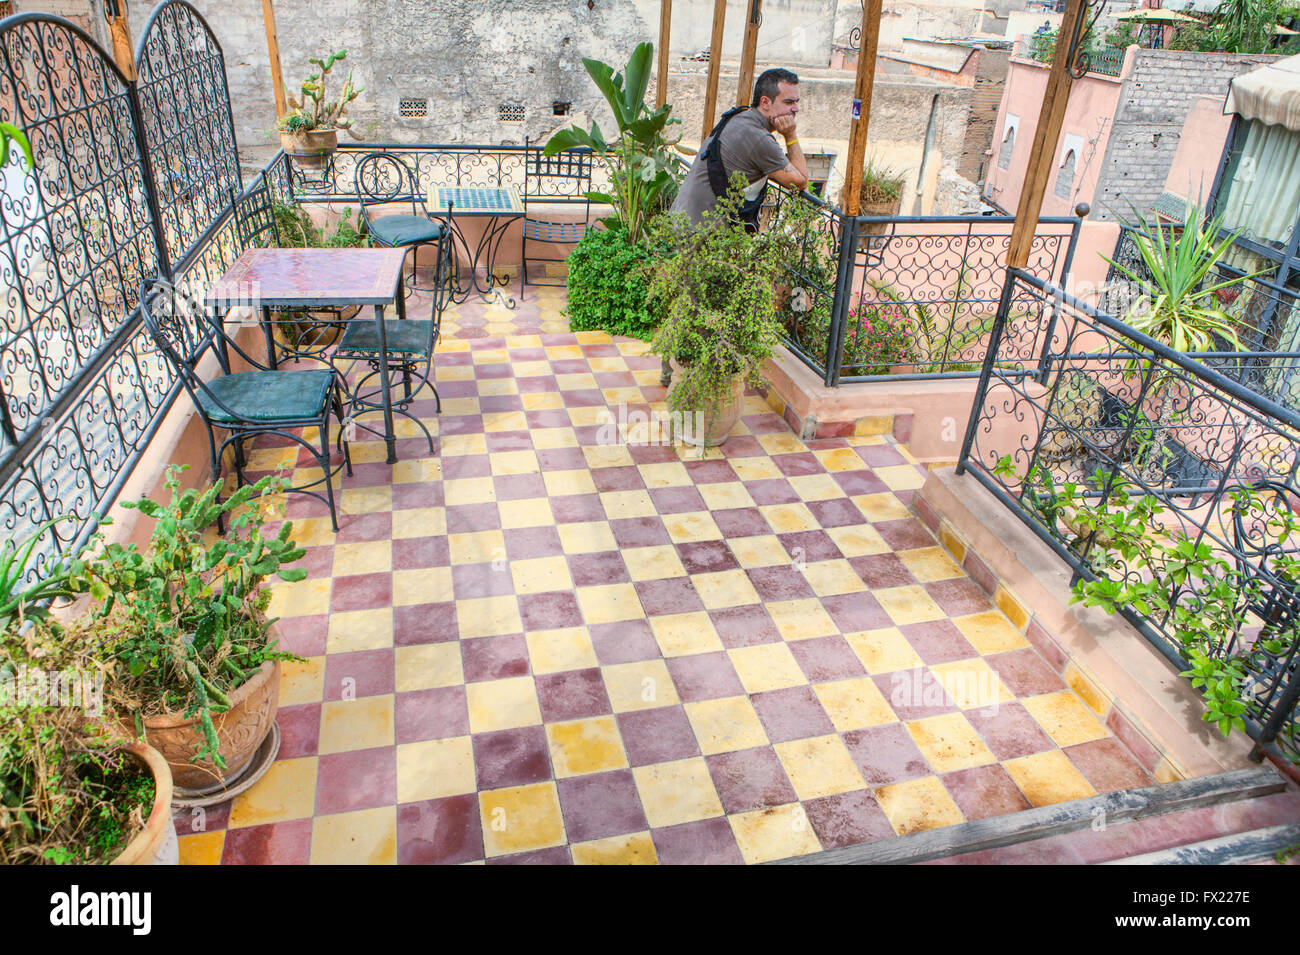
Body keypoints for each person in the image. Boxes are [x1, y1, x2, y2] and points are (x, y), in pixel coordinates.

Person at [670, 67, 809, 230]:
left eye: (796, 102)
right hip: (698, 236)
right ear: (765, 102)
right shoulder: (758, 137)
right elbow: (800, 181)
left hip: (681, 221)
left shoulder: (740, 117)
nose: (795, 109)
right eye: (788, 102)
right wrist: (790, 135)